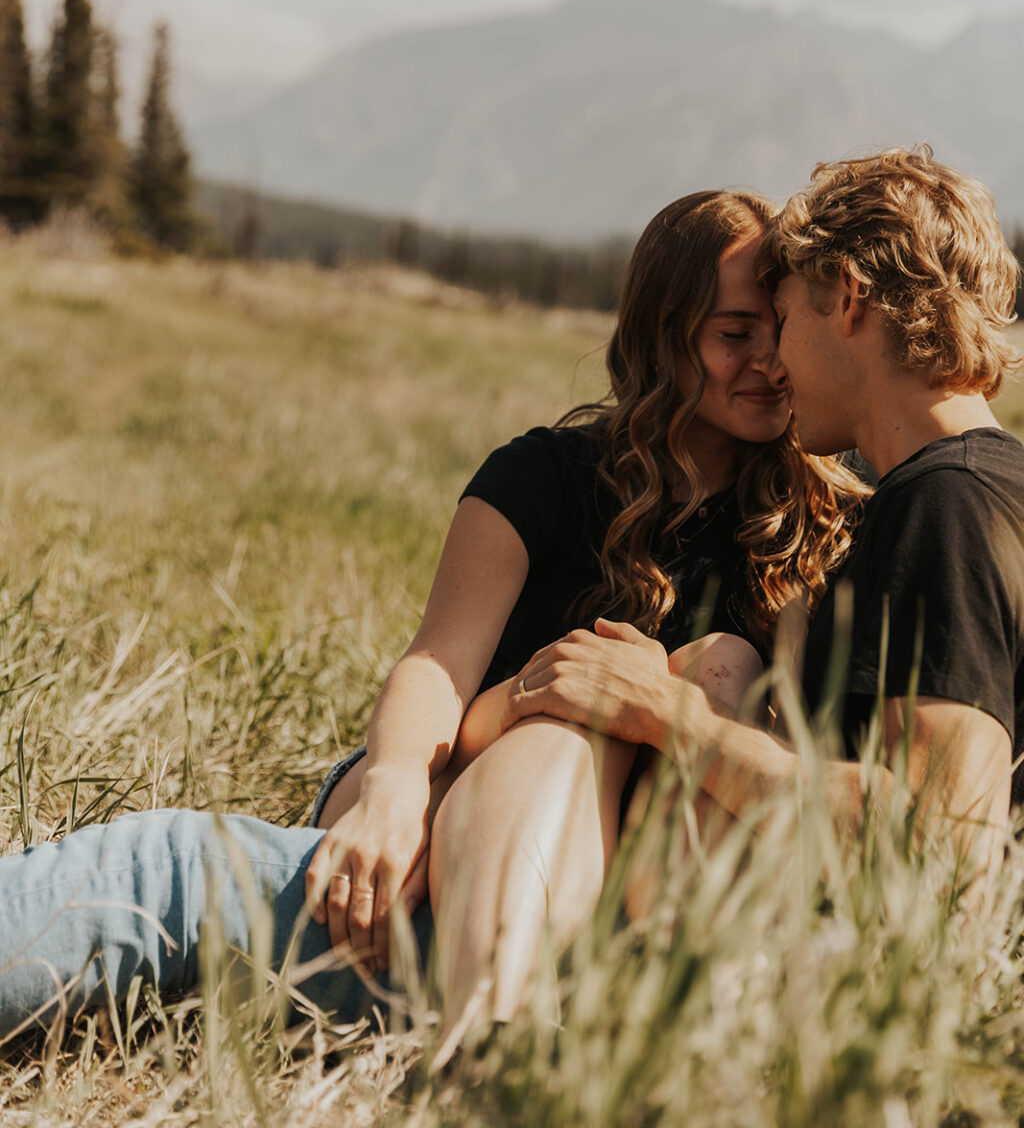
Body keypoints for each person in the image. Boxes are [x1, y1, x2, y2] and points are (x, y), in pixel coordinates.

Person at [0, 188, 864, 1044]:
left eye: (775, 330)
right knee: (568, 729)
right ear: (661, 334)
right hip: (456, 791)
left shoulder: (815, 523)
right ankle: (488, 1036)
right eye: (732, 335)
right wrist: (393, 792)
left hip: (631, 877)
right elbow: (437, 664)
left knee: (716, 667)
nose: (767, 363)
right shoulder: (546, 476)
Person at [507, 148, 1024, 887]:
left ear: (848, 299)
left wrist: (665, 711)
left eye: (780, 320)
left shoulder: (946, 505)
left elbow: (933, 838)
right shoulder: (991, 488)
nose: (775, 363)